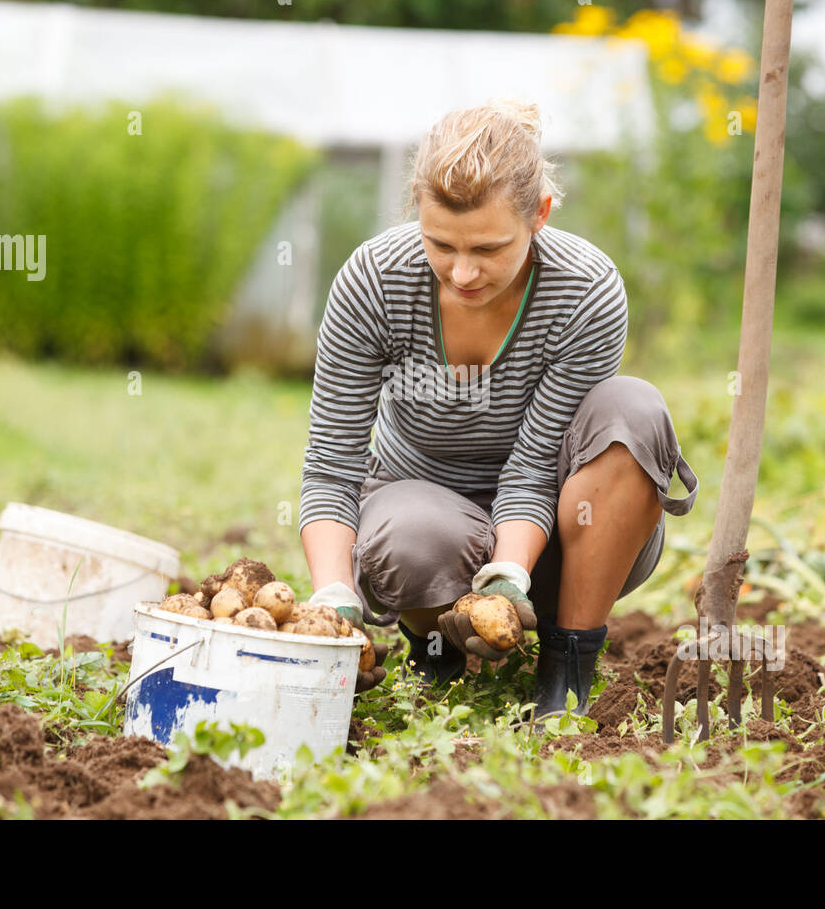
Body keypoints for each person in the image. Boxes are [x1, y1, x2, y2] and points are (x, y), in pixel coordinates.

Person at [298, 98, 698, 721]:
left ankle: (567, 662)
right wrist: (332, 596)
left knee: (635, 409)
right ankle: (436, 648)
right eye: (440, 244)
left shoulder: (585, 291)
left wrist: (509, 573)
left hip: (567, 536)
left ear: (538, 214)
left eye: (488, 248)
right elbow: (332, 465)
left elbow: (535, 466)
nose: (461, 273)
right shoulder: (375, 282)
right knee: (411, 534)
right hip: (425, 524)